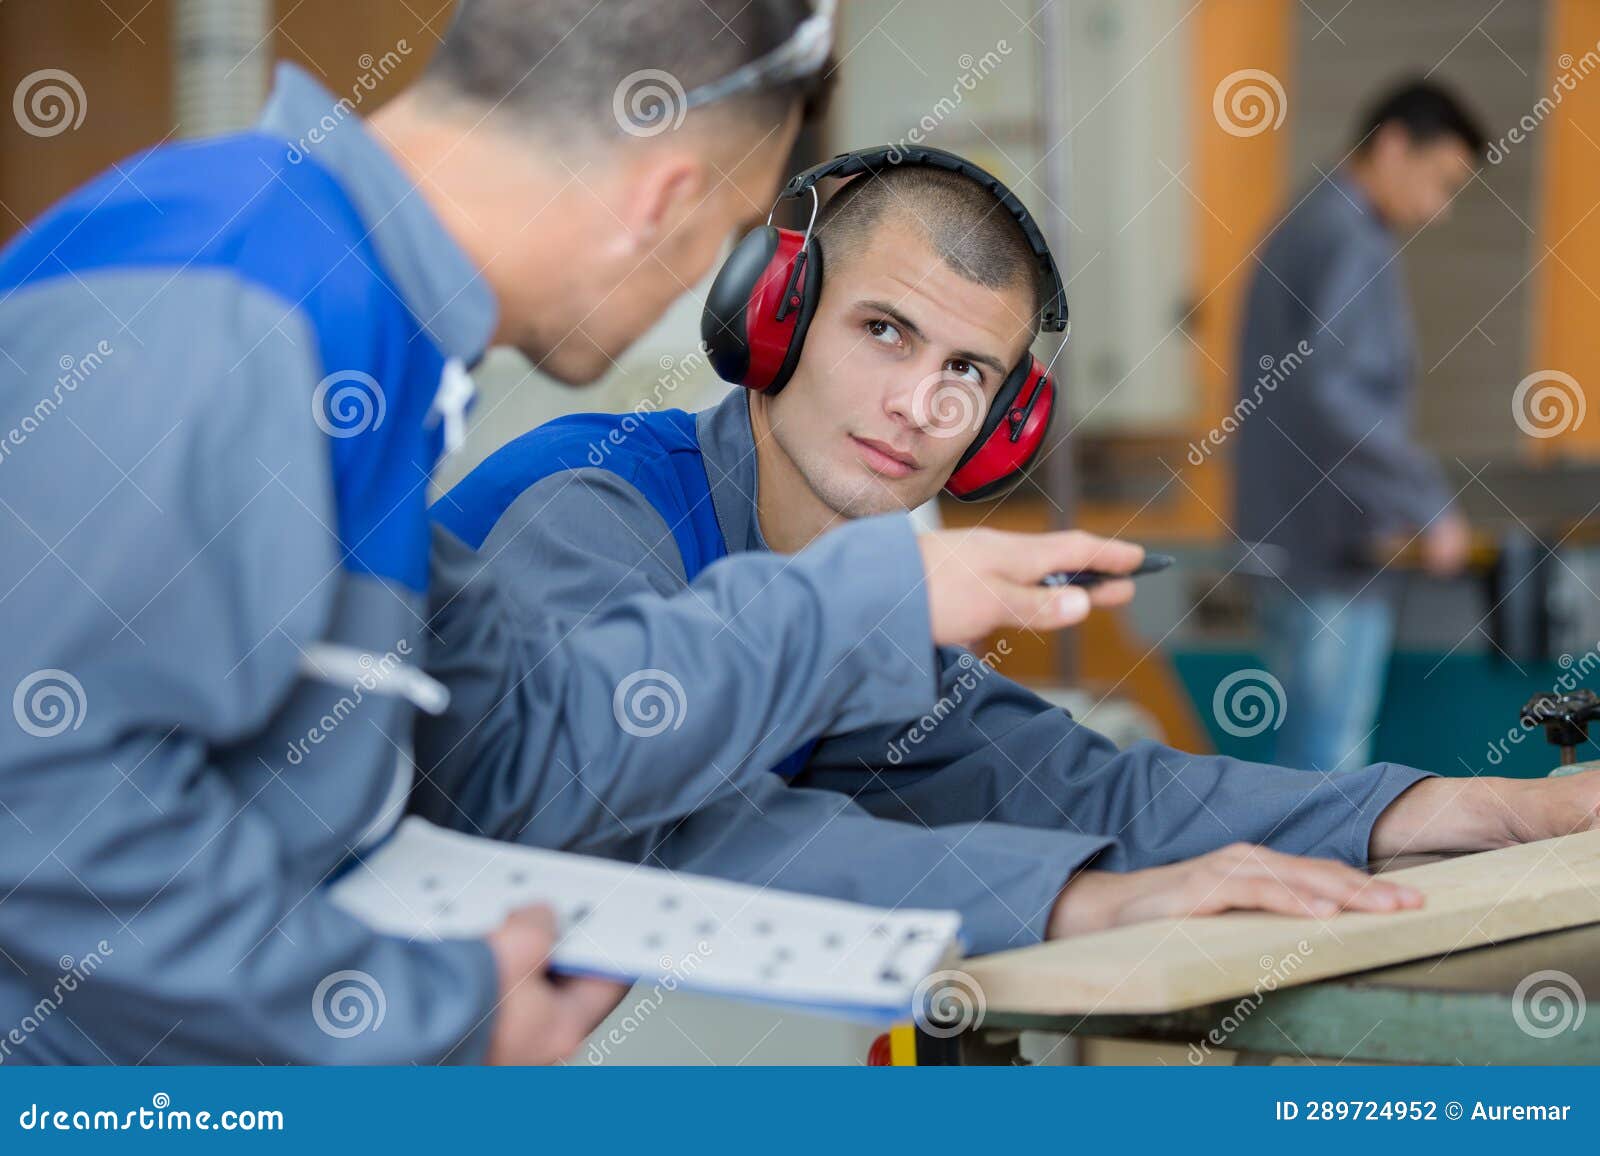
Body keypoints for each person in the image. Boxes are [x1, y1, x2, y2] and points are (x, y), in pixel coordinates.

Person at [0, 0, 1139, 1065]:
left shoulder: (350, 326)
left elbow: (514, 734)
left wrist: (869, 606)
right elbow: (43, 817)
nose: (722, 289)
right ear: (665, 196)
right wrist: (417, 1013)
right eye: (736, 233)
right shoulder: (227, 304)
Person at [431, 150, 1600, 954]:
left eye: (965, 373)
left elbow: (1089, 784)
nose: (916, 407)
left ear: (1002, 429)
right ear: (774, 316)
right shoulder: (593, 507)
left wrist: (1482, 810)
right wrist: (1083, 902)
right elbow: (649, 837)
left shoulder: (844, 595)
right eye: (883, 331)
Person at [1234, 79, 1485, 773]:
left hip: (1289, 539)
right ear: (1394, 145)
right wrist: (1429, 505)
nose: (1440, 210)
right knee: (1328, 774)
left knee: (1299, 762)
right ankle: (1318, 886)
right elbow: (1337, 394)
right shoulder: (1350, 237)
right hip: (1328, 554)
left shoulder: (1308, 219)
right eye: (1440, 182)